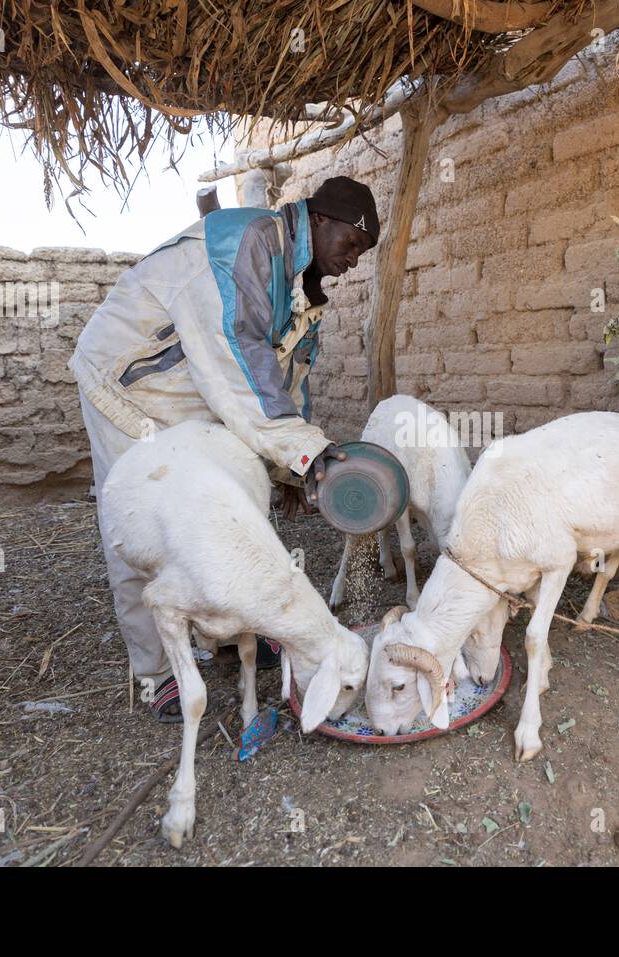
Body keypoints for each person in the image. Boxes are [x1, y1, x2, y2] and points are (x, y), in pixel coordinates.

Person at [69, 176, 380, 722]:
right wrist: (308, 453)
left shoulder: (303, 290)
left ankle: (235, 635)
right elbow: (237, 361)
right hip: (127, 384)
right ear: (321, 217)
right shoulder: (248, 243)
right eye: (352, 244)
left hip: (191, 396)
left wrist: (288, 473)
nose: (353, 260)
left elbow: (288, 382)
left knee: (236, 505)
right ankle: (158, 671)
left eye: (362, 254)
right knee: (145, 524)